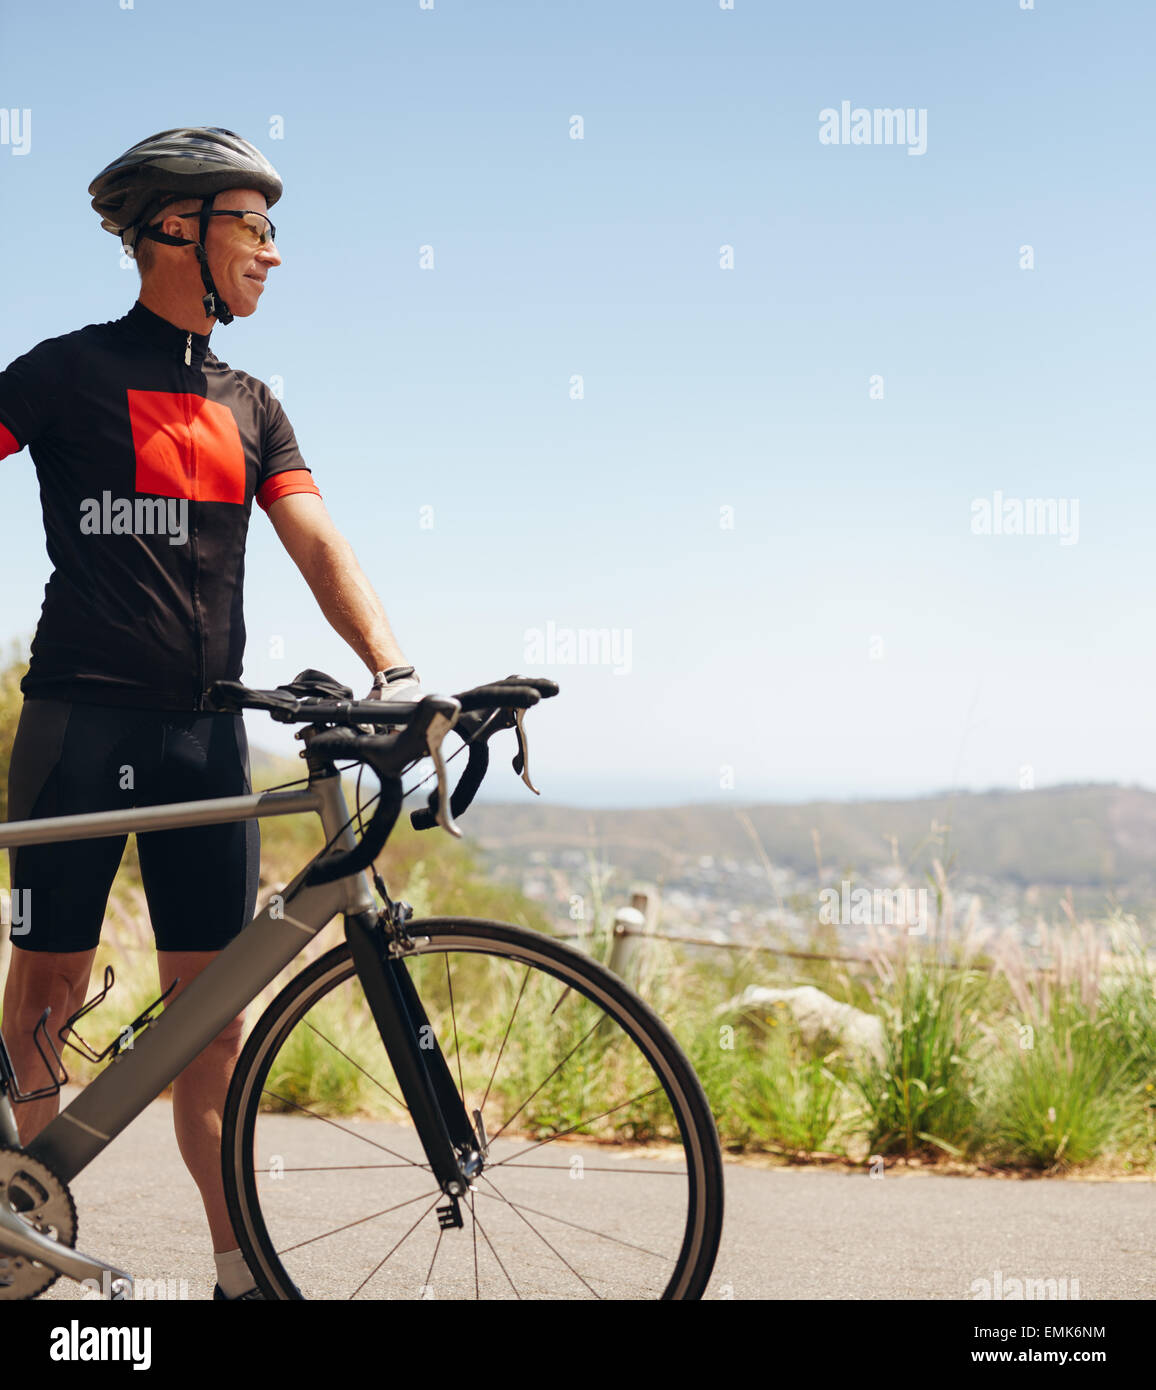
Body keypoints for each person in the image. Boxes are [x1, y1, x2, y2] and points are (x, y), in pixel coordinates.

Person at [0, 128, 419, 1299]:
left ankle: (238, 1272)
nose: (275, 254)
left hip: (202, 740)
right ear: (173, 230)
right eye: (257, 224)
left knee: (212, 1024)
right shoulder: (65, 371)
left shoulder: (253, 402)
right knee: (44, 999)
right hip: (79, 726)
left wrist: (393, 668)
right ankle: (27, 1232)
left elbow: (316, 536)